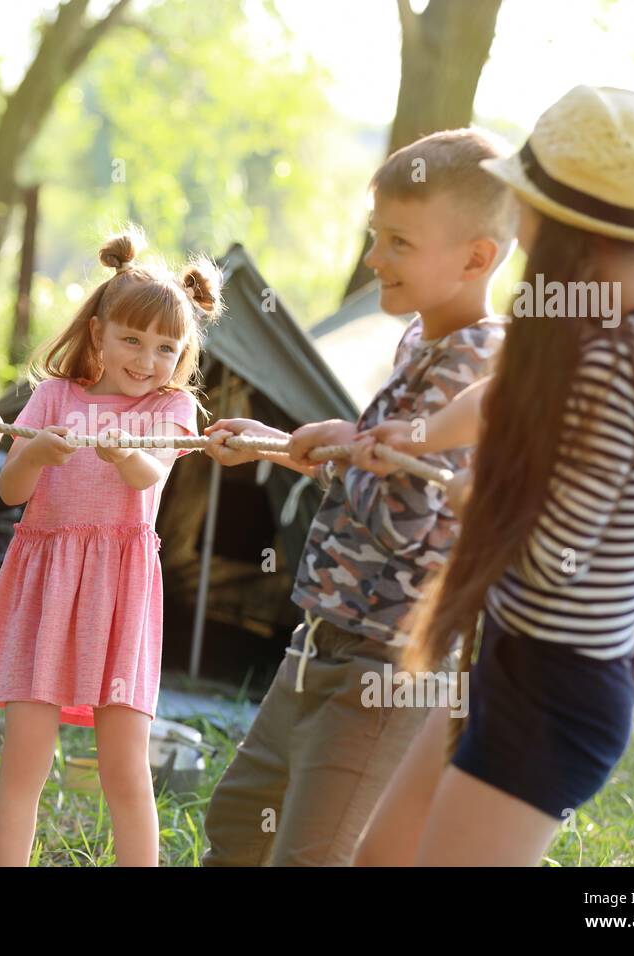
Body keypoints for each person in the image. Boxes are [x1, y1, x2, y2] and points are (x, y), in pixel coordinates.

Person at [355, 86, 634, 866]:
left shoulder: (618, 360)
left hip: (554, 693)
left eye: (528, 201)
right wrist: (416, 434)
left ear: (568, 223)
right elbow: (507, 393)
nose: (520, 219)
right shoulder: (604, 319)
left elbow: (552, 556)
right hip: (511, 659)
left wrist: (448, 486)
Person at [199, 128, 515, 866]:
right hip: (317, 648)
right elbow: (384, 463)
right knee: (240, 829)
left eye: (399, 242)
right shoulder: (417, 341)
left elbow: (404, 522)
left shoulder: (476, 365)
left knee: (310, 854)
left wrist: (359, 456)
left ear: (477, 257)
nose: (374, 258)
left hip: (382, 676)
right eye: (376, 236)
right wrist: (310, 443)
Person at [0, 227, 222, 866]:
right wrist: (38, 453)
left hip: (120, 592)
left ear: (182, 355)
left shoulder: (171, 409)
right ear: (98, 332)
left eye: (166, 347)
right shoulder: (53, 397)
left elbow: (150, 475)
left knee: (124, 768)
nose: (146, 358)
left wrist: (124, 452)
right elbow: (14, 491)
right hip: (45, 582)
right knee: (25, 760)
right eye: (131, 339)